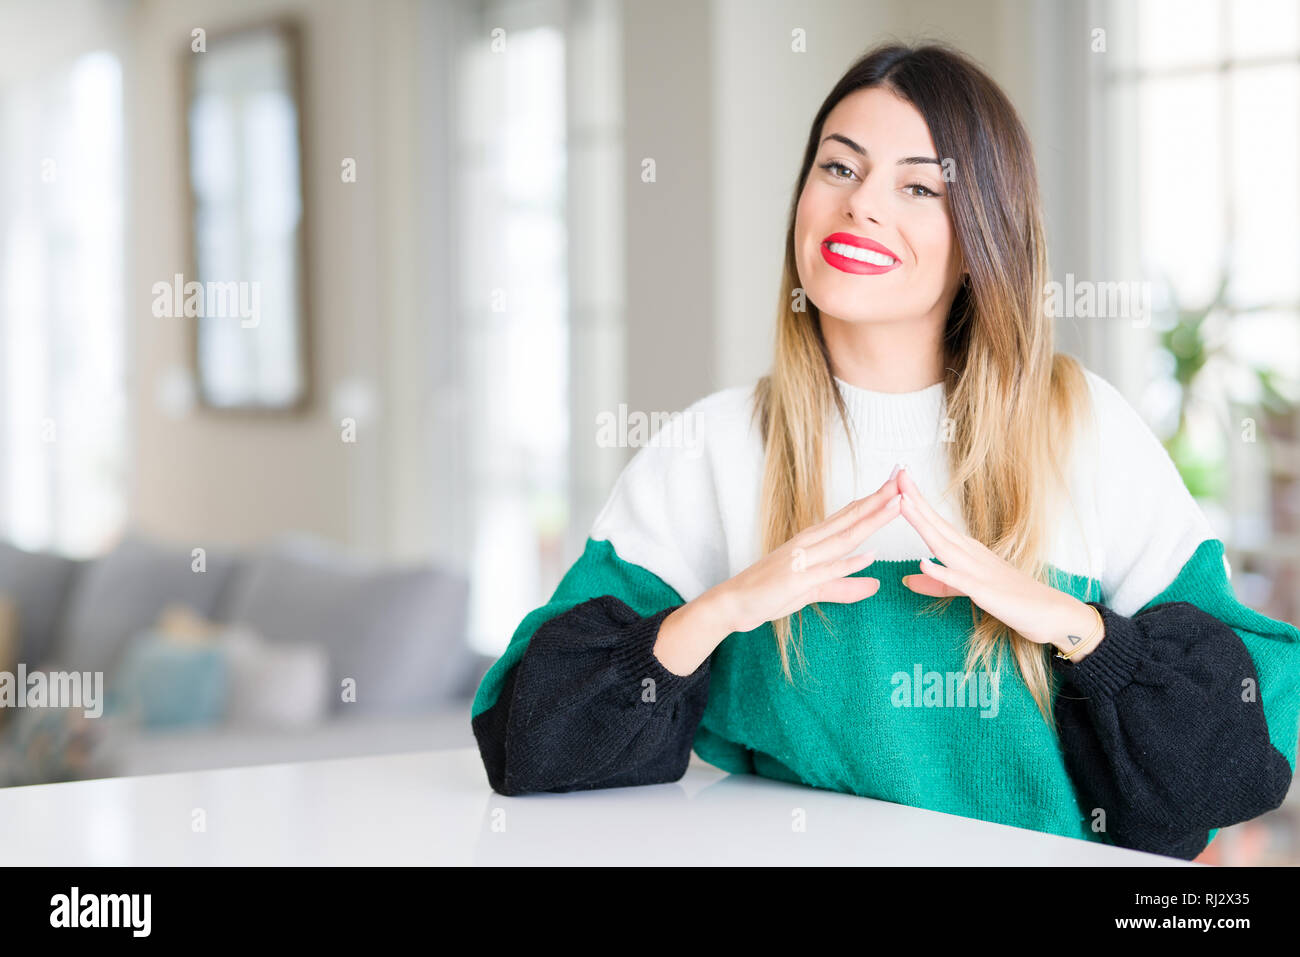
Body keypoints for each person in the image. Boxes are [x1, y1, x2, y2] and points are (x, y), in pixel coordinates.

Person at [470, 41, 1300, 861]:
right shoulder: (710, 451)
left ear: (979, 241)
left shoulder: (1083, 429)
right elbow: (523, 739)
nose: (862, 205)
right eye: (839, 168)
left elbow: (1238, 755)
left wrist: (1078, 627)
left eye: (917, 185)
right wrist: (721, 608)